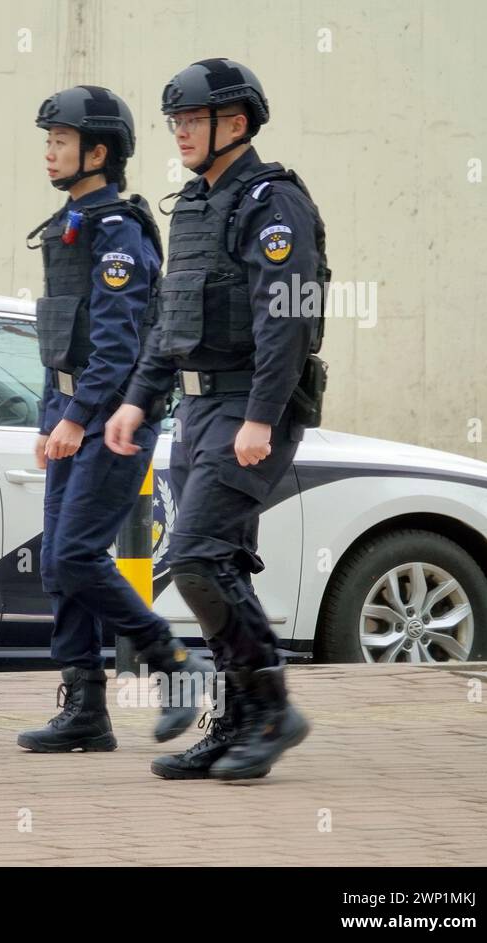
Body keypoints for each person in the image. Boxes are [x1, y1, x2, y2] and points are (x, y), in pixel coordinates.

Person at [105, 59, 330, 780]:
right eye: (173, 122)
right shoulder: (197, 206)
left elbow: (287, 320)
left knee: (197, 554)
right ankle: (236, 722)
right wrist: (139, 398)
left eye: (190, 120)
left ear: (234, 123)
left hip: (250, 404)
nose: (178, 132)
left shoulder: (273, 202)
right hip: (199, 407)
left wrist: (262, 417)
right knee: (219, 562)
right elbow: (173, 318)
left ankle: (271, 708)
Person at [17, 85, 211, 754]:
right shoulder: (73, 225)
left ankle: (177, 664)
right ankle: (86, 712)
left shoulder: (117, 232)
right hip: (75, 414)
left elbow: (118, 342)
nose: (50, 152)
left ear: (98, 152)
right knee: (60, 563)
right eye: (48, 141)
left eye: (61, 142)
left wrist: (78, 417)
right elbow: (65, 339)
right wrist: (54, 417)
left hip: (115, 418)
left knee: (75, 555)